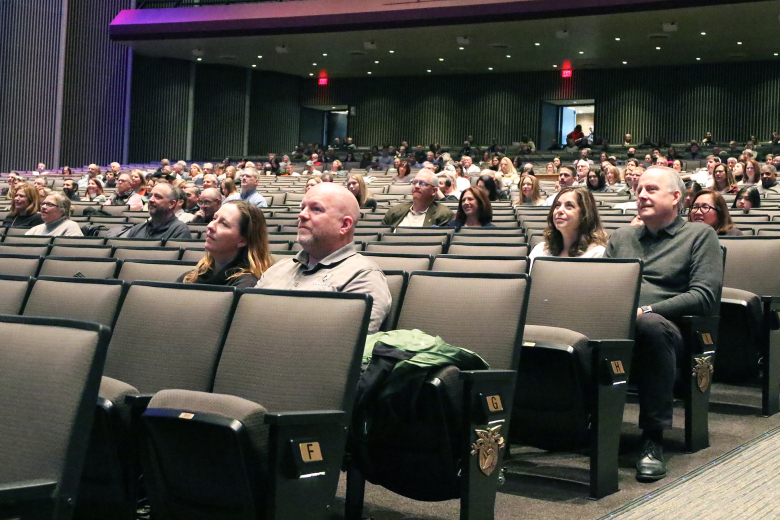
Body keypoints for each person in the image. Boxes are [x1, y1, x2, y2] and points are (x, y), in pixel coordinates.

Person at [605, 166, 722, 483]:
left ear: (675, 197)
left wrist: (647, 309)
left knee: (650, 326)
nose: (641, 194)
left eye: (651, 189)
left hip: (672, 332)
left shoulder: (700, 236)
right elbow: (604, 287)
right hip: (619, 326)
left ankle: (652, 438)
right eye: (639, 189)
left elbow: (704, 296)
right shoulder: (622, 237)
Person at [255, 183, 391, 334]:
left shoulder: (363, 276)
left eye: (316, 209)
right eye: (302, 208)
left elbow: (343, 342)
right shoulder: (278, 268)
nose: (302, 215)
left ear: (344, 225)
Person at [179, 201, 272, 289]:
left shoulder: (246, 284)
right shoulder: (192, 276)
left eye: (224, 224)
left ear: (243, 240)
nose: (210, 226)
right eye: (214, 218)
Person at [529, 187, 607, 264]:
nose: (559, 210)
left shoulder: (597, 254)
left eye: (569, 206)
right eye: (557, 205)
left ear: (584, 214)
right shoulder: (540, 250)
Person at [381, 169, 454, 228]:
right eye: (414, 182)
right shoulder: (394, 211)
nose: (416, 186)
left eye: (422, 183)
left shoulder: (443, 215)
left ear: (434, 191)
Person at [118, 183, 192, 240]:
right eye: (150, 195)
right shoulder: (137, 229)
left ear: (171, 204)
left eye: (158, 197)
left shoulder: (180, 230)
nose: (151, 200)